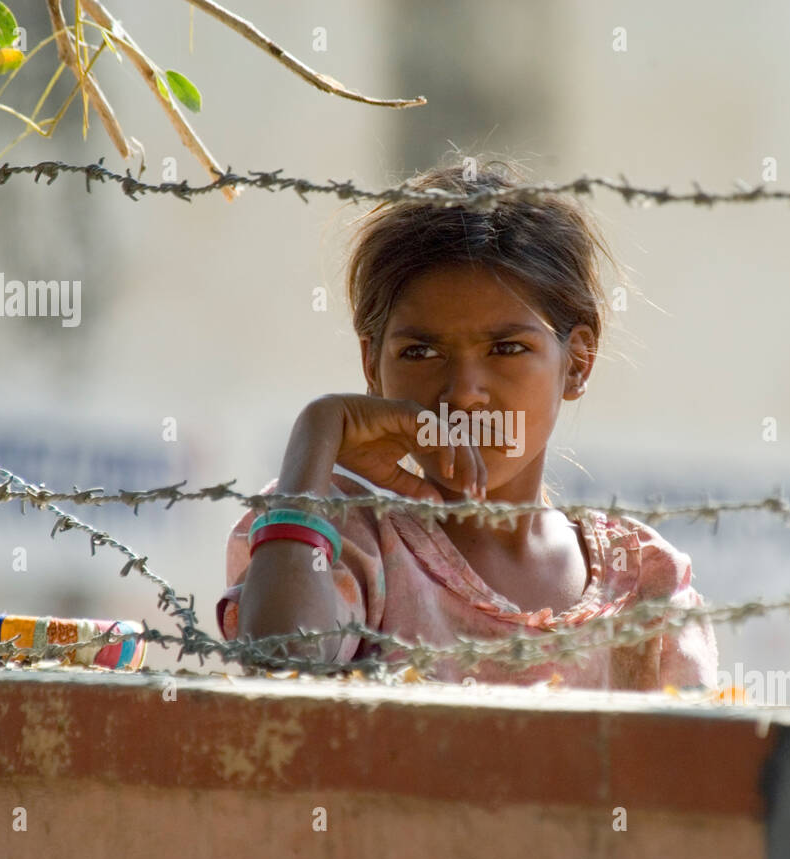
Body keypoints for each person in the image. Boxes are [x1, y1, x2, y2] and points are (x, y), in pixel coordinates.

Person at [216, 157, 717, 691]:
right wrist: (316, 432)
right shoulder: (349, 538)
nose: (463, 394)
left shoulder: (643, 580)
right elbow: (279, 658)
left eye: (507, 348)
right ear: (372, 367)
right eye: (421, 351)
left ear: (577, 362)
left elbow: (692, 762)